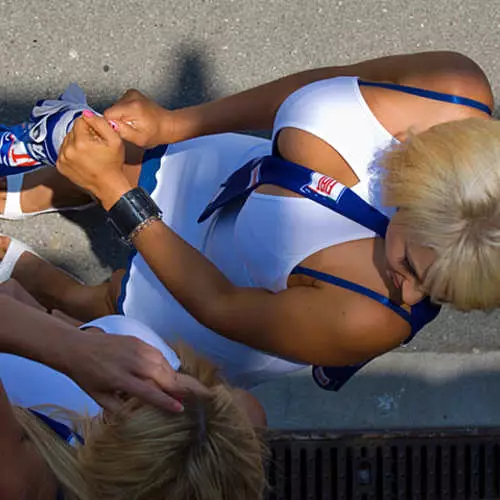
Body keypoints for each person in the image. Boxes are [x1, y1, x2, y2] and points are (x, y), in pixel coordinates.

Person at [0, 50, 498, 391]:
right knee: (135, 162)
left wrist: (116, 193)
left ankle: (49, 288)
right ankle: (58, 185)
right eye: (412, 266)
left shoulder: (371, 318)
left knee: (106, 300)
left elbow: (220, 306)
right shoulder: (453, 89)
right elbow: (321, 85)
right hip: (235, 179)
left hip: (232, 295)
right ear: (417, 185)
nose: (409, 297)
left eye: (442, 295)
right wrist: (173, 124)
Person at [0, 280, 267, 500]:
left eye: (126, 405)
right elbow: (245, 412)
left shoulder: (23, 482)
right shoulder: (247, 424)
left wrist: (73, 348)